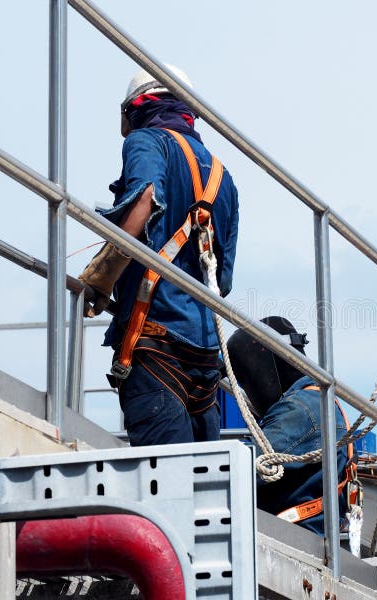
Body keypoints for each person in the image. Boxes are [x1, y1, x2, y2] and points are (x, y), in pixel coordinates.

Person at [78, 65, 239, 447]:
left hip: (156, 347)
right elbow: (224, 281)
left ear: (137, 109)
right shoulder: (223, 177)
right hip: (203, 364)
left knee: (166, 492)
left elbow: (144, 203)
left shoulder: (147, 142)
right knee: (204, 492)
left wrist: (101, 278)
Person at [226, 316, 351, 536]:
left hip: (294, 536)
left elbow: (243, 470)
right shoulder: (318, 401)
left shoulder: (301, 410)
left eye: (245, 378)